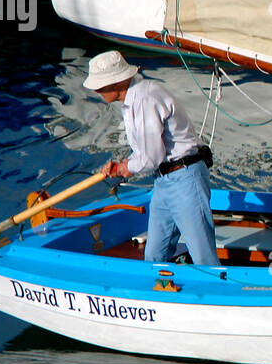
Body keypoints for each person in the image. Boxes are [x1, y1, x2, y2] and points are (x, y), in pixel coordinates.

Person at [83, 50, 217, 265]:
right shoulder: (132, 99)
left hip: (184, 178)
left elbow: (152, 157)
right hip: (164, 180)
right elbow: (146, 152)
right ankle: (156, 293)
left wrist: (125, 169)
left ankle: (214, 294)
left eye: (99, 86)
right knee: (154, 255)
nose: (97, 91)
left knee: (203, 256)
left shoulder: (144, 98)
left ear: (116, 82)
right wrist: (123, 164)